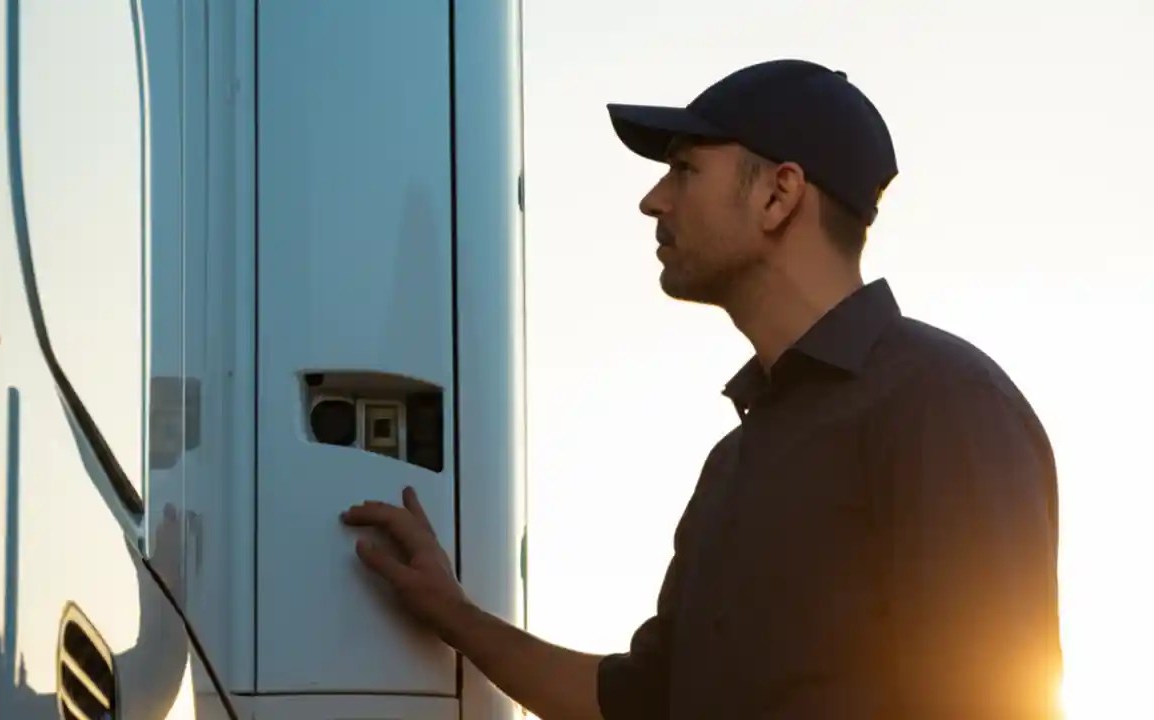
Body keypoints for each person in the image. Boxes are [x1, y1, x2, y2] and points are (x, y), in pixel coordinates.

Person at [341, 58, 1062, 719]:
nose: (653, 201)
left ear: (779, 194)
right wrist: (453, 614)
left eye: (684, 170)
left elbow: (992, 700)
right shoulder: (735, 460)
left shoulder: (945, 403)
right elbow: (641, 704)